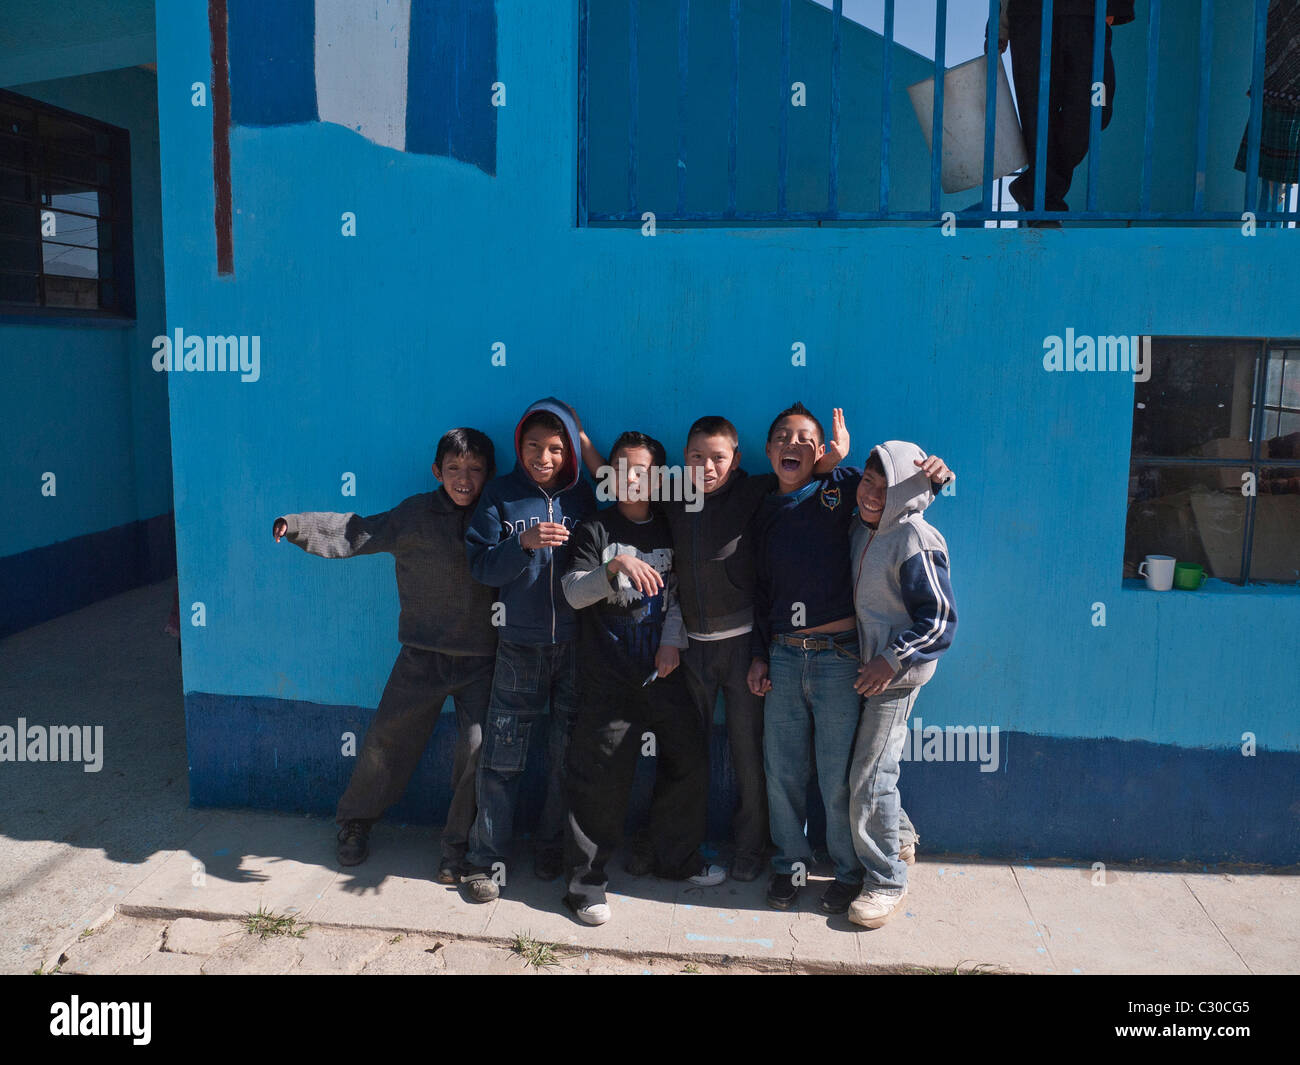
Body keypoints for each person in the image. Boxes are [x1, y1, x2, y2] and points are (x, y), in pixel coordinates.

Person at [747, 405, 951, 915]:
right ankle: (791, 863)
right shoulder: (788, 511)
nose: (872, 493)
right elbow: (760, 591)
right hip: (786, 656)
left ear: (821, 454)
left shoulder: (842, 498)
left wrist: (935, 476)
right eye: (781, 437)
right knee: (784, 771)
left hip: (848, 662)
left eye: (805, 440)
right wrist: (760, 655)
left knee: (845, 774)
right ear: (768, 449)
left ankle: (851, 869)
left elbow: (896, 490)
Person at [272, 428, 498, 881]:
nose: (464, 478)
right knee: (385, 741)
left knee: (476, 750)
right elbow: (357, 531)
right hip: (421, 655)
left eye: (475, 469)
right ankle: (355, 821)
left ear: (489, 474)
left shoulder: (497, 515)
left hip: (482, 660)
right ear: (437, 472)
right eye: (454, 468)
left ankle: (457, 846)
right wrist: (298, 525)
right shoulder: (414, 515)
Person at [663, 416, 845, 882]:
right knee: (686, 754)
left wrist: (832, 460)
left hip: (743, 646)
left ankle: (751, 848)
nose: (706, 466)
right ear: (682, 459)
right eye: (696, 457)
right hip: (690, 650)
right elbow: (621, 482)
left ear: (738, 460)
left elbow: (799, 475)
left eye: (718, 457)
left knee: (750, 755)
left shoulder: (752, 491)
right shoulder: (671, 499)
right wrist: (581, 441)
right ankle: (678, 844)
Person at [560, 432, 725, 925]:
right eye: (622, 469)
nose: (633, 479)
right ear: (607, 475)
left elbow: (676, 594)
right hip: (605, 679)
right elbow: (572, 593)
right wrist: (614, 565)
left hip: (661, 672)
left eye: (643, 471)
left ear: (659, 478)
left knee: (690, 757)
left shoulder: (670, 526)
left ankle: (674, 860)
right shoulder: (594, 527)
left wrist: (672, 639)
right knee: (601, 778)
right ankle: (585, 884)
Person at [458, 398, 598, 901]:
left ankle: (552, 847)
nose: (544, 456)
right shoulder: (500, 497)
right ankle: (484, 859)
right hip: (519, 645)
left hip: (576, 648)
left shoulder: (583, 498)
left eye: (556, 448)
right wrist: (522, 545)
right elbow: (480, 567)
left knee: (566, 756)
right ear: (519, 446)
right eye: (534, 446)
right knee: (502, 758)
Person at [847, 443, 957, 929]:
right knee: (872, 768)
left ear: (910, 492)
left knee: (871, 776)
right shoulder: (862, 527)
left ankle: (886, 880)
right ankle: (903, 837)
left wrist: (889, 662)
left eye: (887, 486)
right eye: (867, 481)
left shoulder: (916, 538)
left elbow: (940, 622)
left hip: (894, 676)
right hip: (866, 668)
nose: (872, 493)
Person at [1000, 0, 1135, 220]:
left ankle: (1034, 188)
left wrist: (1114, 10)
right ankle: (1044, 206)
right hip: (1029, 15)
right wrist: (1000, 23)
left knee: (1094, 111)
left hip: (1088, 13)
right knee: (1038, 117)